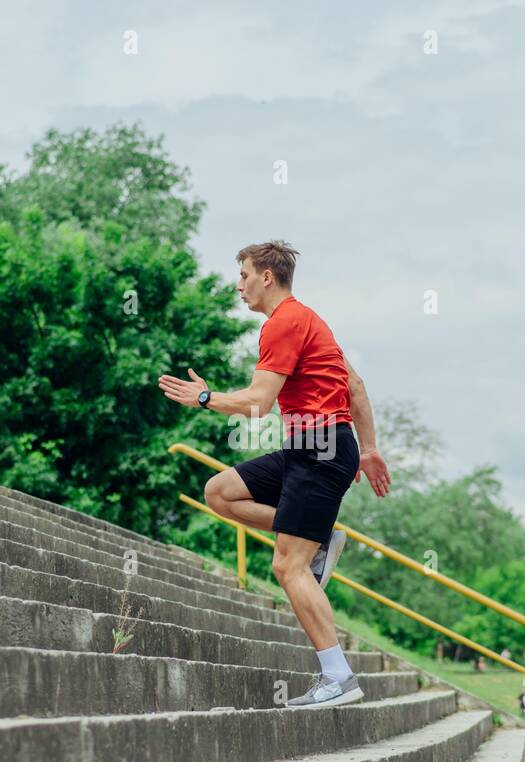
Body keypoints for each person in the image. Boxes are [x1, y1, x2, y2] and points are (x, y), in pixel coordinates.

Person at [159, 241, 392, 709]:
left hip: (320, 451)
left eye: (243, 274)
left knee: (288, 565)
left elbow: (257, 403)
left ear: (267, 275)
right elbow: (357, 387)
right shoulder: (309, 320)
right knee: (220, 492)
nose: (238, 283)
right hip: (314, 446)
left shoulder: (284, 322)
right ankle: (320, 536)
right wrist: (366, 450)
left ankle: (338, 676)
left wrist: (205, 398)